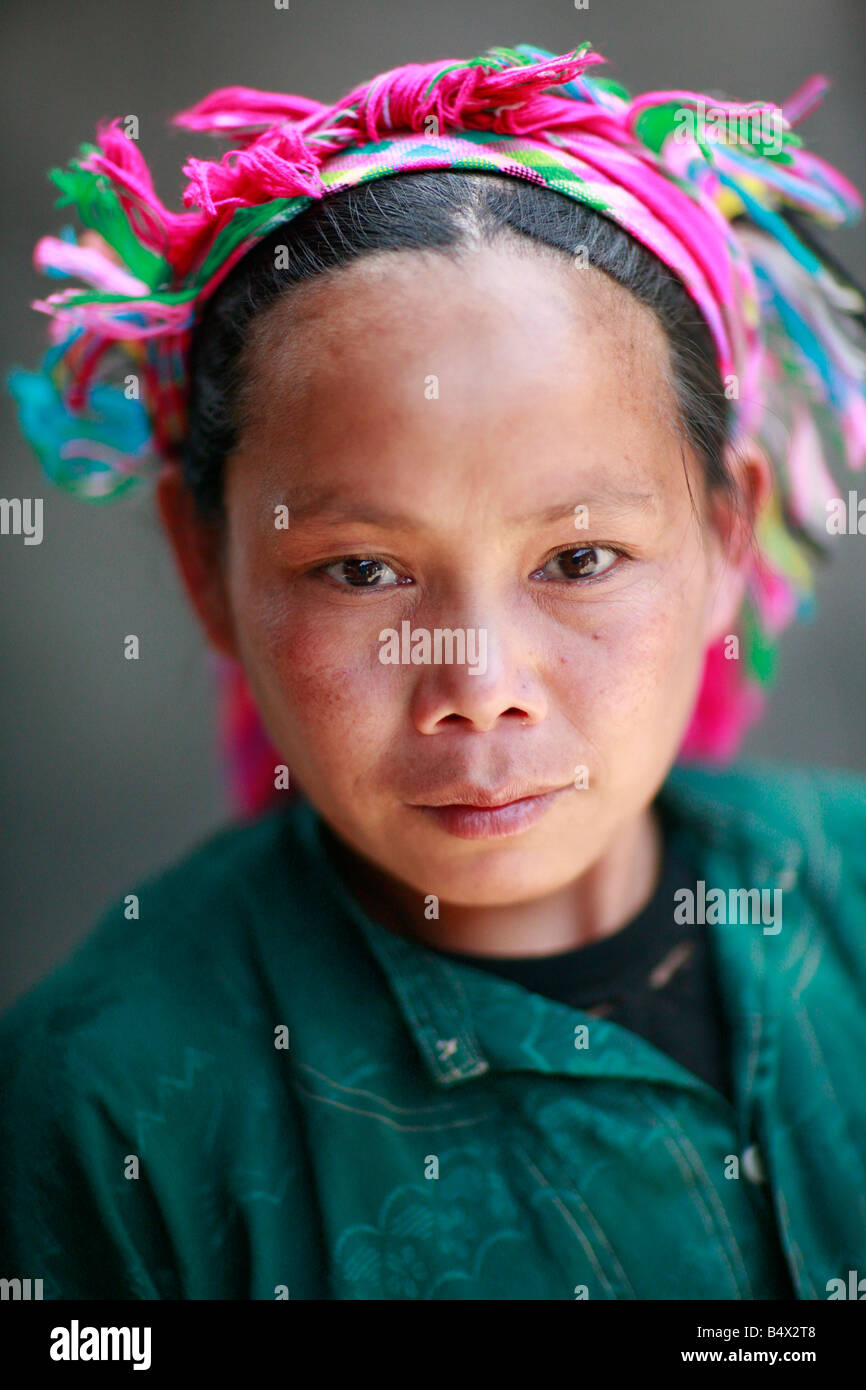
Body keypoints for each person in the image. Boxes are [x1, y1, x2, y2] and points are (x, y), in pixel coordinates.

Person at [3, 41, 866, 1301]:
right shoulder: (103, 1109)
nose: (476, 679)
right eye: (360, 571)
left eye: (578, 556)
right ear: (206, 567)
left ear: (726, 536)